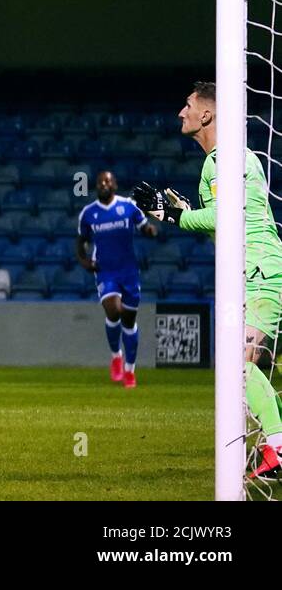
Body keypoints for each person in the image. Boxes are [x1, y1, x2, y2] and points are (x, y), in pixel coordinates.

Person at [133, 81, 282, 478]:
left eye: (187, 106)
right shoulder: (233, 158)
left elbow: (224, 216)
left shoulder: (220, 160)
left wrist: (172, 215)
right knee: (260, 367)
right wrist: (186, 213)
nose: (181, 113)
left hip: (259, 273)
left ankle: (277, 446)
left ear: (207, 114)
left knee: (240, 364)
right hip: (265, 267)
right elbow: (226, 227)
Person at [75, 170, 156, 387]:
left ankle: (130, 369)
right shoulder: (88, 213)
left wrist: (150, 230)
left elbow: (144, 226)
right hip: (105, 270)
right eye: (101, 181)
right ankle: (115, 356)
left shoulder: (128, 207)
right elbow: (81, 242)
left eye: (108, 181)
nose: (104, 184)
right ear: (96, 186)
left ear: (115, 185)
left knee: (128, 322)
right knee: (113, 310)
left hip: (129, 271)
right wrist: (84, 262)